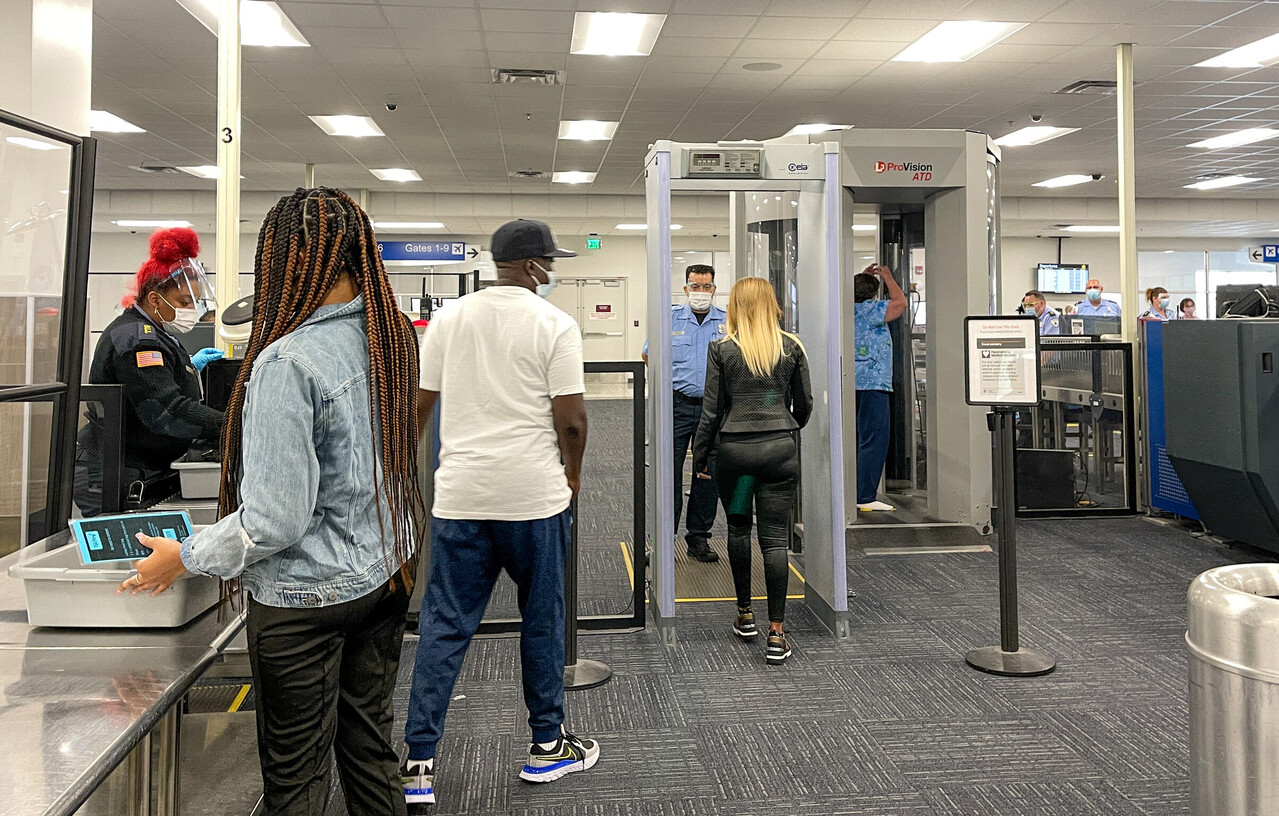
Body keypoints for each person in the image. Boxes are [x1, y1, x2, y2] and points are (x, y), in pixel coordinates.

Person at [119, 188, 424, 816]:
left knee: (297, 784)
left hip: (304, 602)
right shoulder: (389, 335)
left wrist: (185, 556)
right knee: (370, 755)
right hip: (383, 570)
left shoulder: (288, 362)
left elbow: (275, 519)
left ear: (288, 261)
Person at [402, 219, 596, 806]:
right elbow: (573, 419)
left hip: (460, 497)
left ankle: (418, 762)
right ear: (534, 266)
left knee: (444, 624)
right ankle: (545, 748)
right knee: (542, 619)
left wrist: (408, 478)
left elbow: (420, 407)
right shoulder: (555, 324)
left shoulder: (449, 320)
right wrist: (574, 473)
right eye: (550, 263)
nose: (552, 272)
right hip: (533, 499)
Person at [692, 277, 811, 664]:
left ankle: (745, 615)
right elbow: (804, 405)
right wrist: (783, 426)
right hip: (779, 452)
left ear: (736, 306)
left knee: (740, 530)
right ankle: (777, 633)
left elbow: (712, 410)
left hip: (737, 458)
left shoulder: (722, 349)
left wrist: (701, 456)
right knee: (775, 540)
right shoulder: (791, 347)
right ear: (772, 304)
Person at [74, 227, 224, 517]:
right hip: (114, 473)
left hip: (140, 468)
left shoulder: (156, 333)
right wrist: (230, 423)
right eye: (184, 302)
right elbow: (167, 410)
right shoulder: (136, 339)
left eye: (194, 302)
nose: (191, 309)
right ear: (155, 299)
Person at [641, 264, 725, 564]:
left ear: (714, 289)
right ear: (685, 287)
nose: (700, 292)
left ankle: (699, 538)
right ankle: (664, 539)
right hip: (676, 407)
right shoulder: (670, 319)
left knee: (707, 475)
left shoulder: (726, 323)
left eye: (706, 287)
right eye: (695, 286)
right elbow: (648, 354)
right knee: (669, 475)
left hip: (713, 409)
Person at [852, 264, 907, 512]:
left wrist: (862, 280)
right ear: (874, 294)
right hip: (873, 382)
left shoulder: (846, 310)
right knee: (874, 440)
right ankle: (864, 496)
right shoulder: (872, 309)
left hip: (850, 382)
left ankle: (853, 491)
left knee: (856, 439)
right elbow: (900, 303)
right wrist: (887, 277)